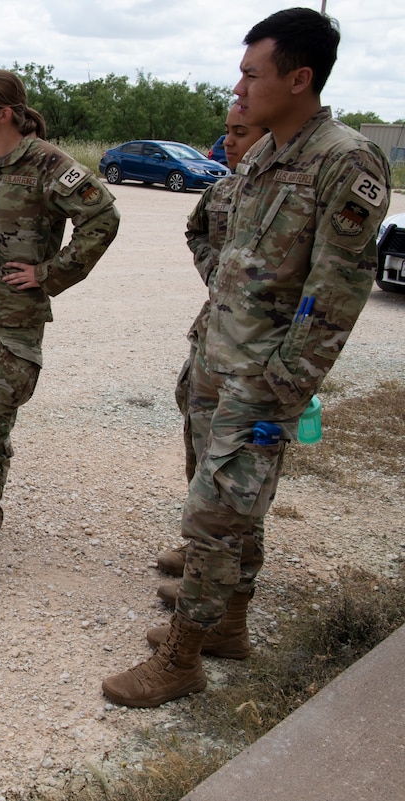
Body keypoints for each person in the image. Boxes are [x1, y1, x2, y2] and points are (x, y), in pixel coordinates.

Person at [103, 7, 391, 708]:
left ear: (299, 77)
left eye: (251, 72)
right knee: (232, 506)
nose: (240, 83)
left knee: (210, 518)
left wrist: (284, 383)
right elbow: (233, 250)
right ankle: (230, 623)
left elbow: (338, 289)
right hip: (218, 360)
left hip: (261, 378)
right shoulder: (265, 153)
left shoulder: (346, 160)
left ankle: (183, 658)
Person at [0, 69, 120, 596]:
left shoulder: (48, 165)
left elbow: (102, 218)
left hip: (11, 321)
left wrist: (49, 273)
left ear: (5, 115)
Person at [153, 104, 270, 613]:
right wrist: (216, 271)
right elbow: (195, 231)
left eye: (240, 132)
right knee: (200, 448)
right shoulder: (222, 191)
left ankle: (231, 579)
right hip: (213, 338)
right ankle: (205, 551)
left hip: (255, 354)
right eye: (225, 133)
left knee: (238, 467)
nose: (228, 142)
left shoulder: (281, 195)